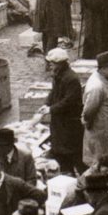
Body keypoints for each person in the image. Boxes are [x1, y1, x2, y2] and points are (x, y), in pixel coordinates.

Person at [43, 48, 84, 176]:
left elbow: (68, 102)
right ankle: (68, 174)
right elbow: (53, 92)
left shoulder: (71, 79)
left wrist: (50, 109)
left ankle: (79, 178)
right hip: (60, 123)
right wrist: (46, 103)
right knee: (62, 154)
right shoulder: (58, 75)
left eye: (52, 63)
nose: (50, 65)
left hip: (69, 125)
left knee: (73, 155)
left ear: (60, 63)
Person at [82, 51, 108, 168]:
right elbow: (88, 111)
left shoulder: (107, 78)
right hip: (101, 131)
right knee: (99, 162)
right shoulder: (97, 86)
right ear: (103, 68)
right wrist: (89, 124)